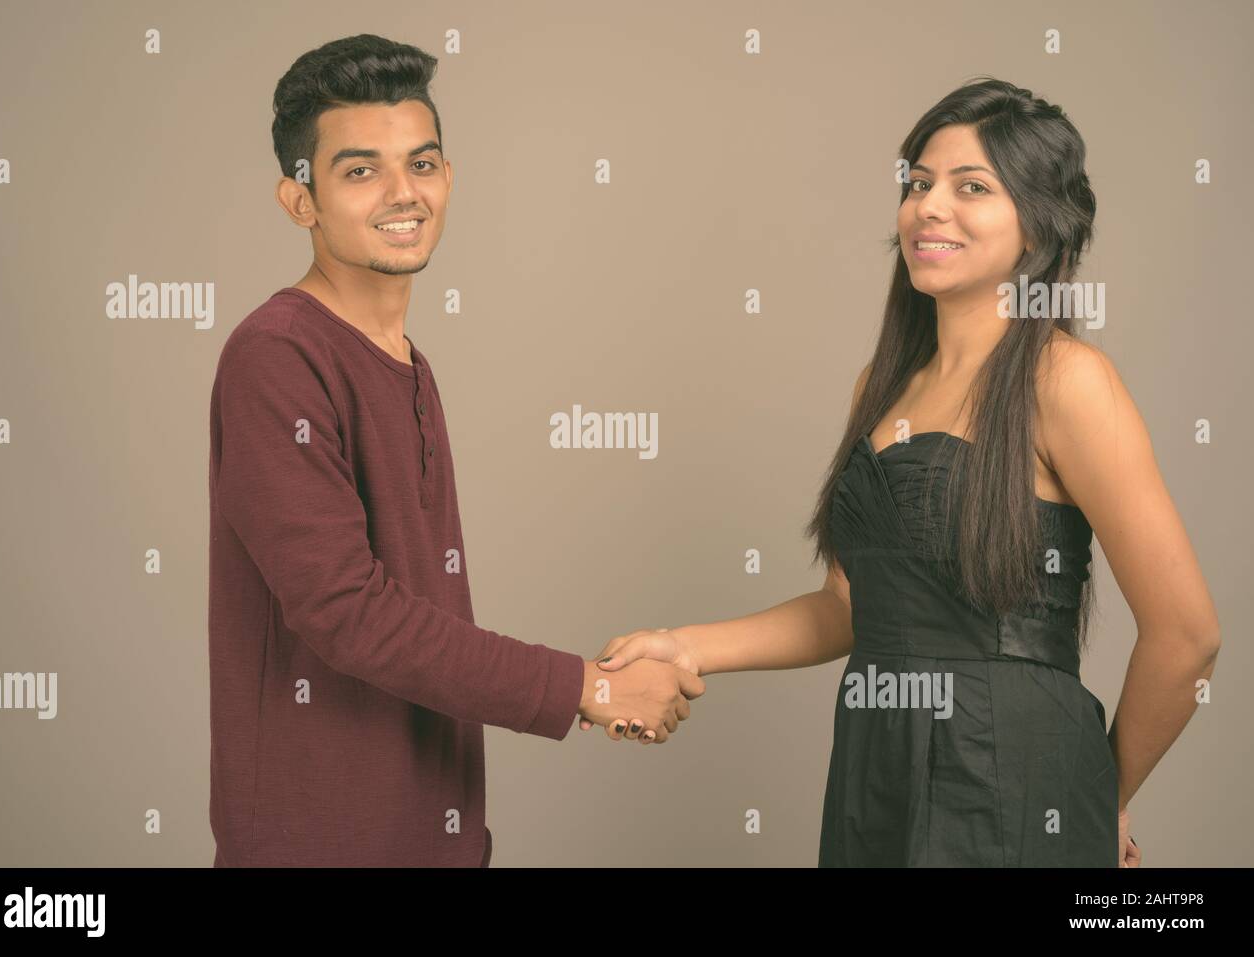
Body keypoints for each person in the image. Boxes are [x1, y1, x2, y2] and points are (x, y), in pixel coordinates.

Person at [583, 78, 1220, 867]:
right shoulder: (881, 385)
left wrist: (1097, 795)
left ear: (1039, 225)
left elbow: (1187, 635)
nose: (929, 207)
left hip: (1015, 772)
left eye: (971, 187)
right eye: (917, 184)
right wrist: (684, 646)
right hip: (875, 765)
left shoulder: (1066, 379)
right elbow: (850, 609)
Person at [207, 34, 703, 868]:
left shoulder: (407, 360)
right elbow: (348, 612)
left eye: (424, 163)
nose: (404, 193)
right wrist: (589, 686)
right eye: (360, 170)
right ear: (301, 201)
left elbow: (423, 620)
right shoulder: (278, 354)